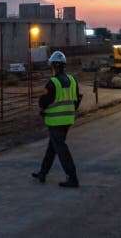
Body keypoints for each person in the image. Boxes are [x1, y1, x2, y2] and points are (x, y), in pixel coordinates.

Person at [32, 50, 82, 188]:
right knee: (53, 146)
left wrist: (42, 110)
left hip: (55, 121)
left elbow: (43, 102)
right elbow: (77, 99)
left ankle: (72, 178)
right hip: (68, 120)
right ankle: (43, 172)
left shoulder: (53, 82)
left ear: (53, 66)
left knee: (60, 148)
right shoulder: (72, 80)